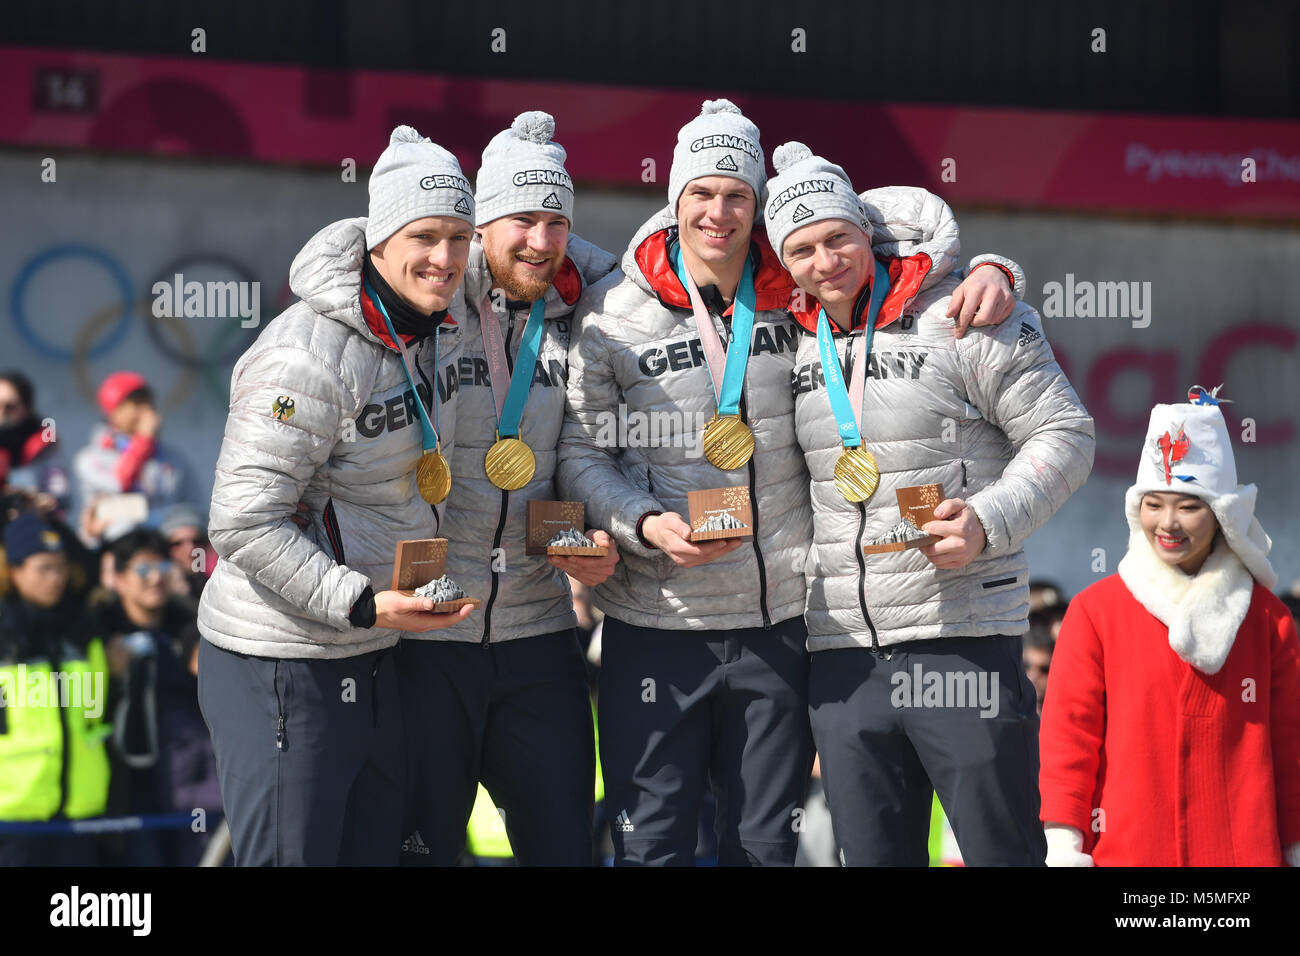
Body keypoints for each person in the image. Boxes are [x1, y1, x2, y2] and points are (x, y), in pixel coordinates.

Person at [557, 101, 1023, 866]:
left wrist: (994, 269)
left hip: (780, 628)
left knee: (766, 848)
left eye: (737, 195)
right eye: (701, 194)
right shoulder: (614, 307)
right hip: (654, 619)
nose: (718, 212)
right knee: (652, 850)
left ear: (758, 207)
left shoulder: (801, 293)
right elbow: (579, 449)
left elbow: (893, 255)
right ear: (675, 200)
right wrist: (640, 522)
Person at [767, 142, 1094, 866]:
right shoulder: (783, 338)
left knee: (1000, 854)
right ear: (781, 261)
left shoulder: (964, 315)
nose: (825, 263)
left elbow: (1067, 433)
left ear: (866, 232)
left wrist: (988, 520)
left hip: (963, 637)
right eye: (802, 250)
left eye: (837, 239)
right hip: (842, 653)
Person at [196, 125, 476, 866]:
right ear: (377, 242)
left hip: (374, 651)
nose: (445, 259)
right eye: (424, 236)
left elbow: (538, 254)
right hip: (282, 661)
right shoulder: (304, 353)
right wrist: (357, 600)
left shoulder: (426, 330)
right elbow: (243, 522)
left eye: (459, 237)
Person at [399, 112, 619, 866]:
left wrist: (587, 533)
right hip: (428, 635)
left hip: (537, 634)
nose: (542, 239)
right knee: (420, 852)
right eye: (521, 219)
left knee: (563, 849)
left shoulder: (584, 309)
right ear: (479, 222)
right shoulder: (421, 303)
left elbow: (580, 452)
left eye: (558, 221)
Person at [1039, 388, 1300, 866]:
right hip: (1127, 854)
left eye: (1189, 506)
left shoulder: (1269, 620)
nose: (1168, 523)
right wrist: (1064, 846)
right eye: (1154, 504)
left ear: (1223, 516)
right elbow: (1068, 742)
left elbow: (1291, 752)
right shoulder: (1095, 613)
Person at [0, 511, 110, 866]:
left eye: (61, 567)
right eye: (44, 568)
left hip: (81, 810)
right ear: (13, 570)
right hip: (12, 816)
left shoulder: (83, 631)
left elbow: (96, 711)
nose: (56, 578)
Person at [93, 527, 198, 866]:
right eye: (142, 569)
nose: (155, 578)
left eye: (163, 568)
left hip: (188, 781)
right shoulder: (99, 629)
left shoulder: (192, 622)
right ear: (119, 579)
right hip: (123, 784)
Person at [74, 371, 193, 543]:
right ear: (114, 412)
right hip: (112, 549)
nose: (147, 410)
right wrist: (143, 441)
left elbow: (193, 509)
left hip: (164, 549)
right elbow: (121, 483)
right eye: (137, 404)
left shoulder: (174, 459)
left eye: (148, 403)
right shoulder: (90, 458)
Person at [0, 371, 69, 514]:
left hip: (32, 520)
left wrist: (38, 500)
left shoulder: (44, 441)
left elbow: (59, 493)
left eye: (10, 406)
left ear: (26, 407)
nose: (2, 412)